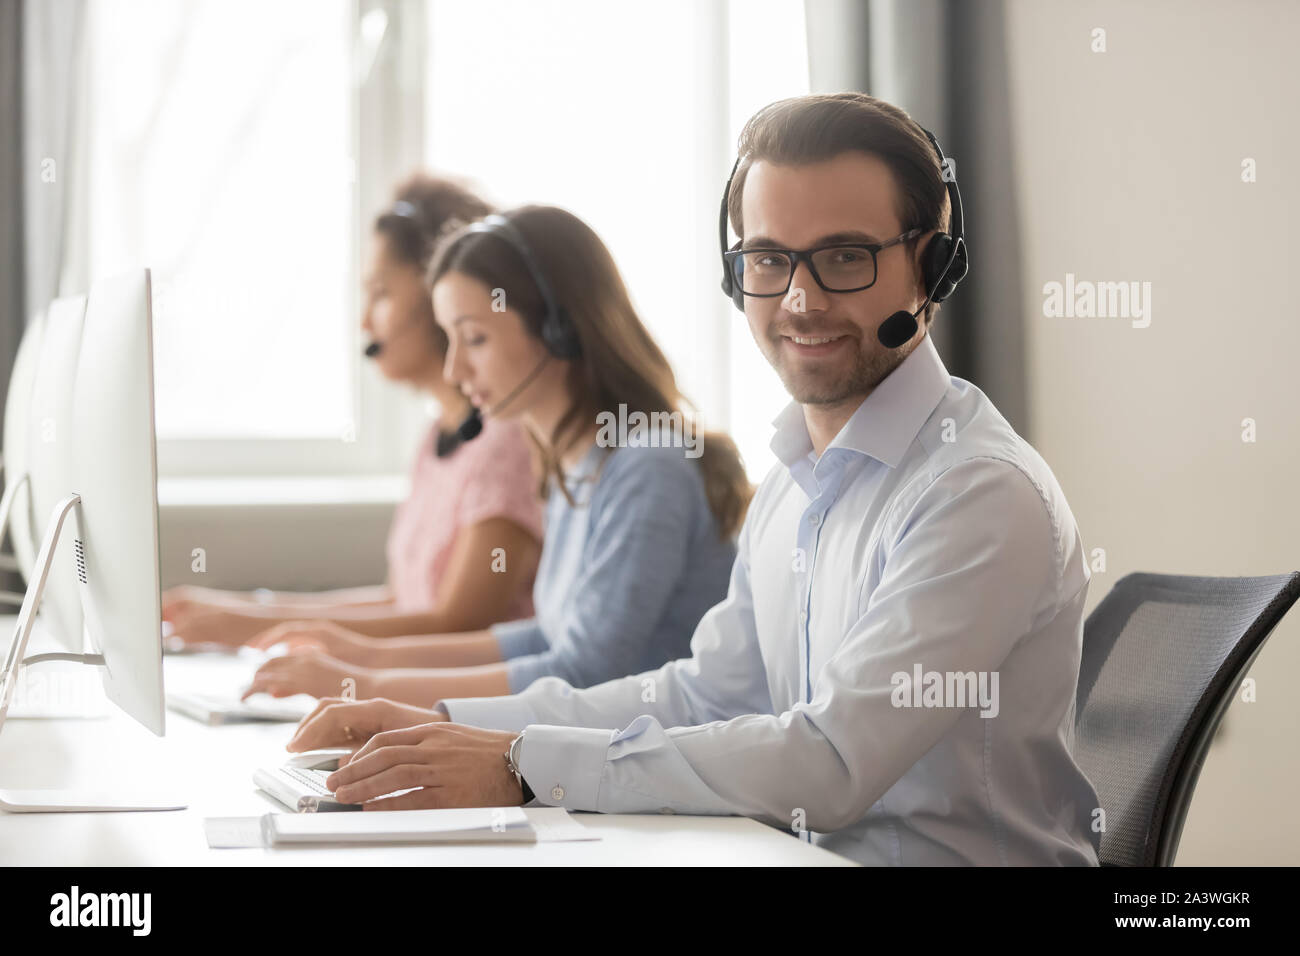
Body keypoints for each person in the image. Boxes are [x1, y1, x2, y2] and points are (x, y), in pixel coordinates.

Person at [283, 93, 1102, 867]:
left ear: (931, 265)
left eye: (845, 257)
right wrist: (444, 725)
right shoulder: (795, 483)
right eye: (769, 260)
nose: (801, 298)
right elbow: (707, 693)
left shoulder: (978, 494)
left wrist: (519, 763)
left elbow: (831, 760)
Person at [240, 205, 752, 706]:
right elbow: (546, 638)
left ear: (560, 329)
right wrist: (365, 657)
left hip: (661, 769)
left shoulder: (647, 467)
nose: (454, 369)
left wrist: (370, 687)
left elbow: (584, 672)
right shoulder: (572, 464)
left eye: (475, 338)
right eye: (449, 340)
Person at [163, 174, 544, 646]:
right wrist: (249, 611)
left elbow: (455, 623)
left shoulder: (505, 444)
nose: (366, 321)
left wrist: (253, 627)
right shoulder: (437, 438)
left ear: (440, 297)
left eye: (381, 294)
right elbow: (403, 601)